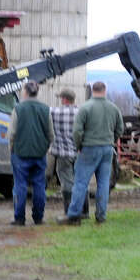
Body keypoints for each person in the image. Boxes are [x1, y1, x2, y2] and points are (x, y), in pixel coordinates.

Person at [60, 81, 123, 225]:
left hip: (88, 148)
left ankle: (74, 215)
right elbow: (120, 128)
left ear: (92, 90)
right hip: (107, 149)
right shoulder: (114, 108)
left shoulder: (85, 107)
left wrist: (79, 146)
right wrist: (111, 140)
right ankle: (101, 215)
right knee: (103, 183)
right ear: (104, 91)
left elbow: (77, 131)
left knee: (81, 183)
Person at [8, 81, 52, 225]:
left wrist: (11, 148)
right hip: (39, 154)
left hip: (20, 153)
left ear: (25, 92)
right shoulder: (45, 109)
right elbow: (50, 134)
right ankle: (38, 217)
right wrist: (45, 148)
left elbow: (12, 133)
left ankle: (19, 218)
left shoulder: (18, 109)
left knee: (20, 185)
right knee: (39, 185)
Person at [50, 88, 87, 217]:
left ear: (64, 99)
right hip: (81, 153)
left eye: (61, 98)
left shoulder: (55, 112)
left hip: (63, 154)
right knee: (81, 181)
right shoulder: (82, 112)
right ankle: (85, 211)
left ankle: (70, 210)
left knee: (67, 182)